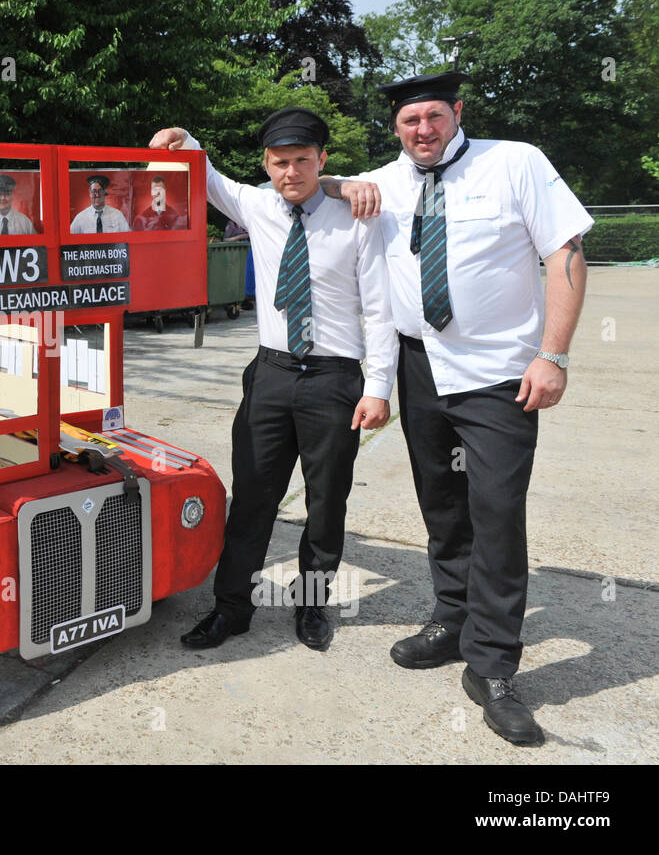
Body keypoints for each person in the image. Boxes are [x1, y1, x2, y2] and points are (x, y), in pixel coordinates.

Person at [326, 72, 592, 746]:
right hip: (421, 370)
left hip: (503, 374)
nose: (423, 129)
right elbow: (294, 184)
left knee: (496, 512)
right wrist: (335, 184)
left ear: (457, 114)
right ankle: (452, 617)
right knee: (442, 502)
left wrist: (552, 354)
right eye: (410, 119)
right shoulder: (384, 182)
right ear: (395, 126)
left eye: (434, 116)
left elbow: (565, 249)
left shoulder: (515, 163)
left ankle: (494, 667)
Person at [150, 107, 396, 651]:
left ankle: (311, 605)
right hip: (271, 374)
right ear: (266, 162)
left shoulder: (356, 218)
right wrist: (184, 133)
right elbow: (206, 177)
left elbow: (379, 309)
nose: (291, 172)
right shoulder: (256, 204)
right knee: (253, 497)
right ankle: (232, 607)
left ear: (322, 160)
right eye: (280, 162)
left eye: (303, 161)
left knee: (326, 500)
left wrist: (378, 386)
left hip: (334, 380)